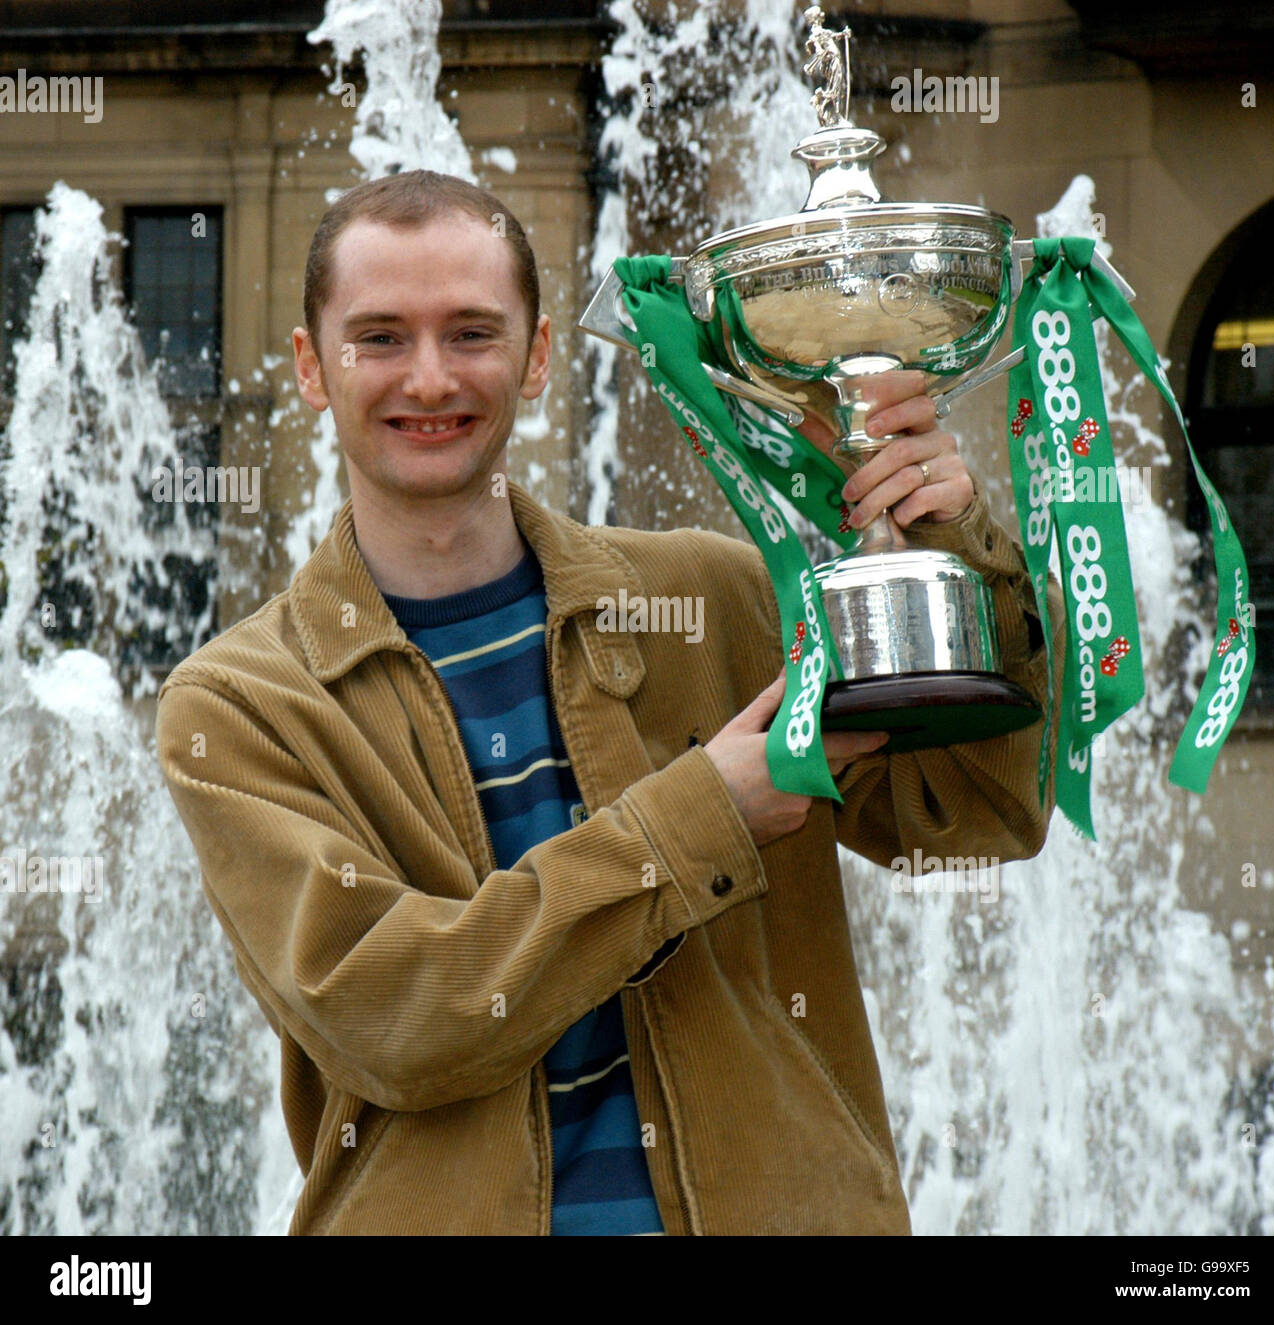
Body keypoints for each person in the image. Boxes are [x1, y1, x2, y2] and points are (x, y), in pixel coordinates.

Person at [155, 169, 1065, 1235]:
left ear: (538, 356)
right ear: (313, 367)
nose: (432, 376)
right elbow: (395, 1015)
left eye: (473, 332)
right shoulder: (239, 702)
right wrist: (700, 816)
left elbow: (973, 816)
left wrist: (952, 557)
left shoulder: (712, 595)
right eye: (381, 337)